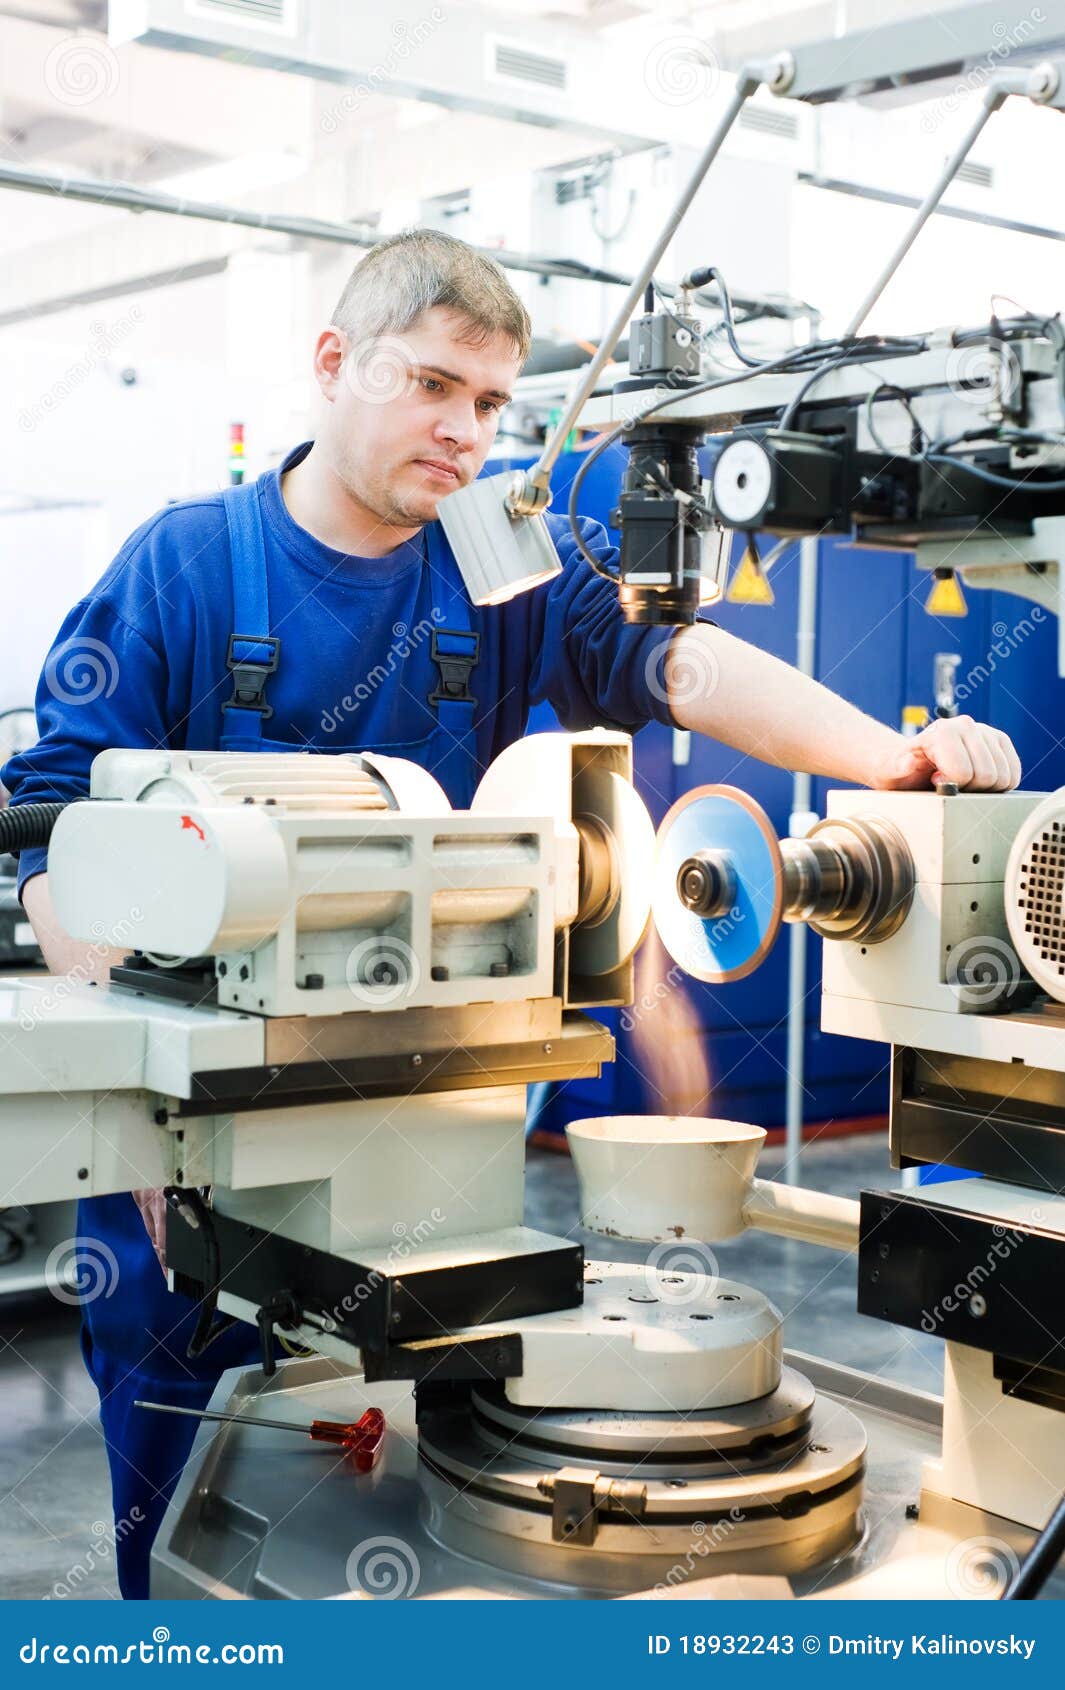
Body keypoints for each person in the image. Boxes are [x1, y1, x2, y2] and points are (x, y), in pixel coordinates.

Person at [2, 229, 1021, 1598]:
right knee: (196, 1527)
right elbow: (53, 827)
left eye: (489, 402)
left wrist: (894, 762)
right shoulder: (187, 565)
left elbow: (679, 663)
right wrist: (149, 1097)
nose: (466, 433)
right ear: (333, 362)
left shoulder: (499, 554)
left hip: (428, 1149)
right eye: (432, 385)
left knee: (407, 1522)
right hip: (191, 1165)